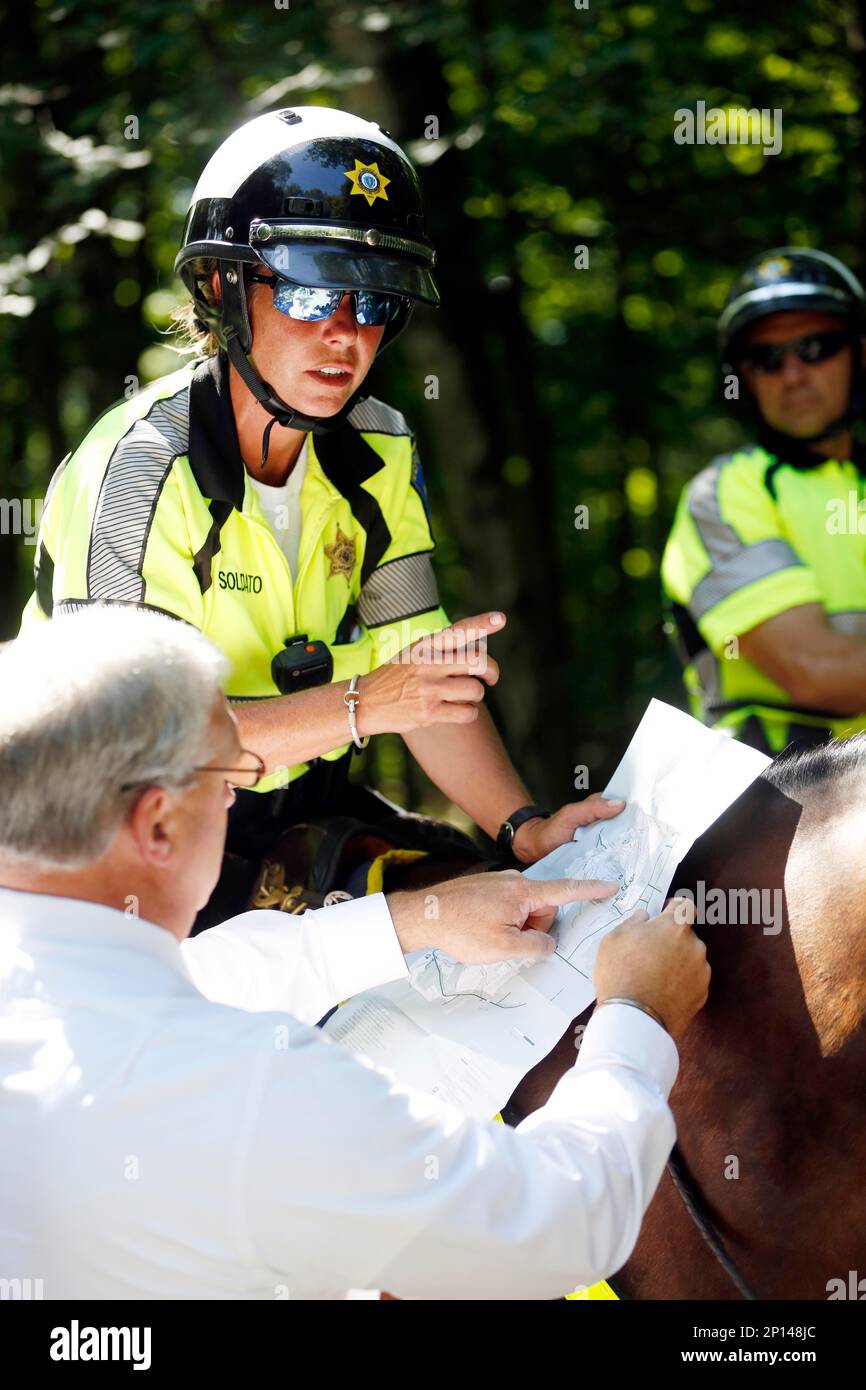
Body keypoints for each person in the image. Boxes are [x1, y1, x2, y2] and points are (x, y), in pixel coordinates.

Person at [0, 606, 709, 1300]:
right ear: (157, 825)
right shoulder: (245, 1086)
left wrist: (406, 920)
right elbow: (553, 1226)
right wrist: (636, 1016)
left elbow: (199, 979)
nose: (230, 806)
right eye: (228, 783)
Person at [20, 106, 621, 917]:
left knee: (523, 918)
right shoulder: (133, 470)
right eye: (308, 293)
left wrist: (523, 830)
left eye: (374, 303)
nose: (346, 335)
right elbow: (126, 751)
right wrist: (365, 704)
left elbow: (424, 688)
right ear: (220, 287)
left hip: (292, 819)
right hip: (114, 842)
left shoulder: (380, 448)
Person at [662, 247, 866, 756]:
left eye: (816, 347)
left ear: (860, 353)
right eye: (768, 359)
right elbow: (818, 675)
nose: (793, 374)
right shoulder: (723, 493)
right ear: (746, 377)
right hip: (776, 811)